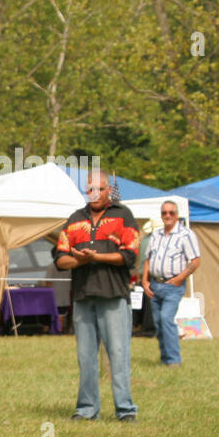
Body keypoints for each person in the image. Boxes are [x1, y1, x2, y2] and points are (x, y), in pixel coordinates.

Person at [52, 171, 140, 421]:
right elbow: (60, 258)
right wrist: (79, 261)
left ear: (108, 190)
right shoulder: (74, 219)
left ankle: (125, 409)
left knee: (118, 354)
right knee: (85, 357)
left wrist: (96, 257)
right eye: (90, 189)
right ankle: (87, 409)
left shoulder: (123, 216)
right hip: (83, 296)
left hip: (113, 294)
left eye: (99, 189)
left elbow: (130, 255)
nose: (95, 194)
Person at [141, 201, 200, 367]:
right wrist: (144, 281)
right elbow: (148, 259)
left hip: (173, 286)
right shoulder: (156, 235)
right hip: (154, 284)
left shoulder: (186, 235)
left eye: (171, 213)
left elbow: (195, 260)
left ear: (177, 215)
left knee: (166, 319)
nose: (167, 216)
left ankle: (174, 360)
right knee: (158, 323)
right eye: (164, 213)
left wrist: (180, 278)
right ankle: (165, 358)